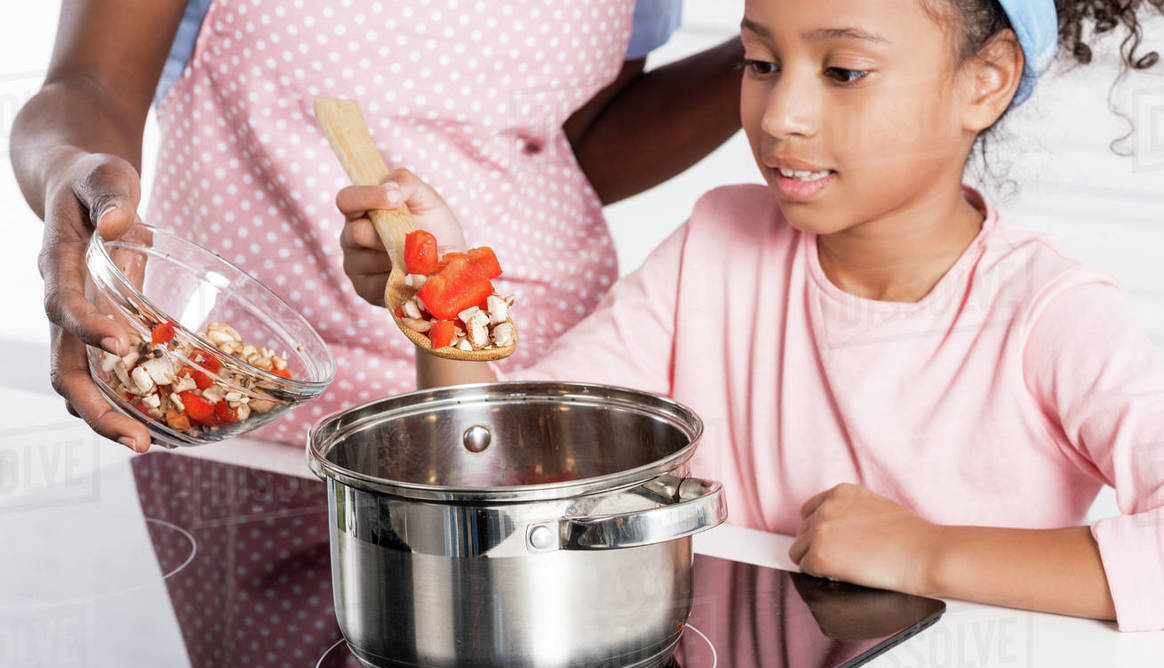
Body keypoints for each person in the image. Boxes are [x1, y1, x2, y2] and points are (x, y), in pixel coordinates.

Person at [338, 0, 1164, 632]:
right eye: (759, 62)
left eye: (844, 71)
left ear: (985, 83)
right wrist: (439, 296)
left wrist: (924, 552)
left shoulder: (1048, 314)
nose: (780, 115)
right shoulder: (717, 245)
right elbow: (503, 470)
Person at [11, 0, 743, 452]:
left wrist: (779, 49)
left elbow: (580, 136)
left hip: (553, 384)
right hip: (259, 415)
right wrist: (71, 173)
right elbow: (89, 83)